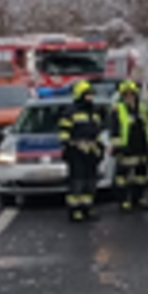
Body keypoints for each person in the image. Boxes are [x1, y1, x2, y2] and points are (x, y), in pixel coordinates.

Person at [58, 81, 108, 223]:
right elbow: (63, 133)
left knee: (90, 182)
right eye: (87, 95)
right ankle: (75, 210)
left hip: (91, 152)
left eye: (91, 95)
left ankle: (87, 207)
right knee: (77, 182)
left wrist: (99, 147)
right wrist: (71, 147)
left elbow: (97, 131)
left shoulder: (94, 112)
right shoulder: (70, 112)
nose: (90, 97)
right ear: (80, 95)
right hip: (76, 152)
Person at [113, 79, 148, 210]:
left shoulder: (141, 108)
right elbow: (115, 129)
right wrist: (118, 147)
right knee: (122, 177)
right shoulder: (118, 109)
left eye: (132, 94)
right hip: (126, 147)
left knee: (141, 176)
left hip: (141, 146)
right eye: (126, 94)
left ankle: (138, 198)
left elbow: (146, 126)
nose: (130, 96)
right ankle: (123, 200)